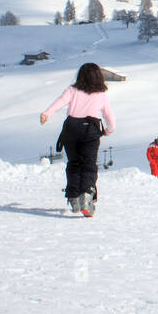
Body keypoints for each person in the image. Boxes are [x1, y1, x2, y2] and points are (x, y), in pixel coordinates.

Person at [41, 63, 116, 216]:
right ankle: (87, 195)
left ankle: (73, 196)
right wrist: (108, 130)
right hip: (91, 129)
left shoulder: (72, 90)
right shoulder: (101, 94)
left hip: (71, 129)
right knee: (88, 164)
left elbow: (60, 102)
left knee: (74, 163)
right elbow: (110, 117)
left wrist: (46, 114)